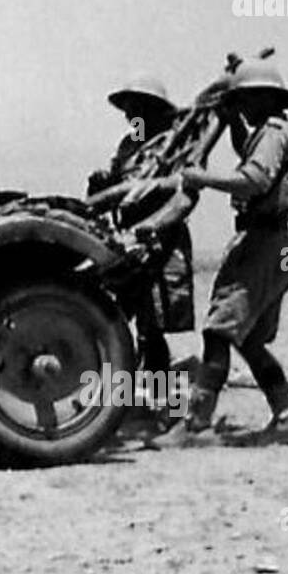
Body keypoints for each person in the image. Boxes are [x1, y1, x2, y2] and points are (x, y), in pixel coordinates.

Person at [154, 58, 288, 448]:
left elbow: (254, 179)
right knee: (251, 339)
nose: (241, 106)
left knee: (219, 331)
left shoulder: (273, 134)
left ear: (263, 98)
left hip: (262, 243)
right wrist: (232, 123)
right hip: (276, 245)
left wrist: (200, 177)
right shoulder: (275, 132)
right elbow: (252, 155)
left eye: (245, 99)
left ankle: (195, 426)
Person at [88, 76, 195, 379]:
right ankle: (133, 396)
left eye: (135, 107)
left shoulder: (173, 145)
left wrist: (153, 221)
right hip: (127, 241)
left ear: (152, 109)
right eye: (127, 108)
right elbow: (113, 189)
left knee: (155, 328)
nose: (128, 114)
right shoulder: (128, 146)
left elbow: (184, 192)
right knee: (121, 319)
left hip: (161, 240)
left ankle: (164, 406)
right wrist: (102, 182)